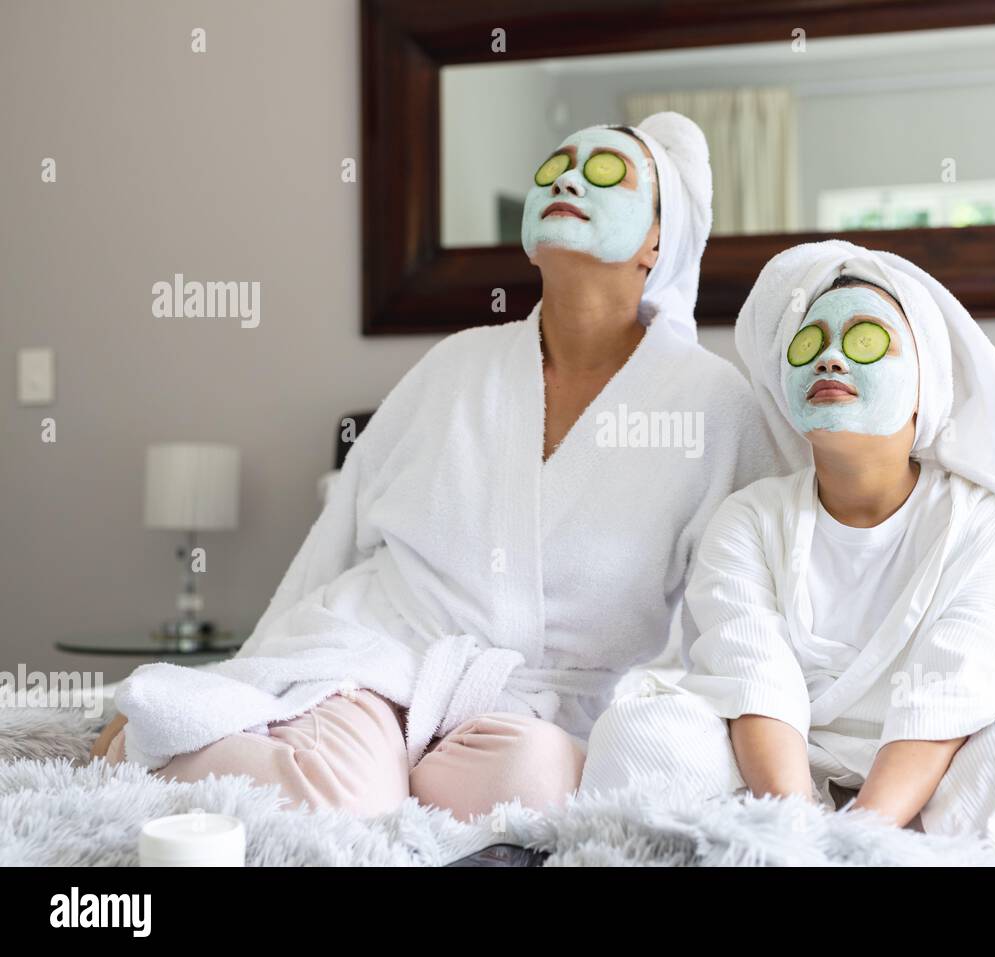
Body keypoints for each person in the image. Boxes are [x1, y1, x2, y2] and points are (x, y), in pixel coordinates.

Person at [93, 113, 789, 822]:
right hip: (376, 658)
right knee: (342, 799)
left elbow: (753, 598)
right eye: (554, 169)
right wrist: (250, 672)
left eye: (607, 171)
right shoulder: (458, 365)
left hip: (530, 703)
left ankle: (401, 770)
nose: (570, 178)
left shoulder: (713, 405)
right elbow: (338, 537)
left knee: (541, 785)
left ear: (656, 242)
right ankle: (156, 741)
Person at [577, 240, 995, 863]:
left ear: (925, 386)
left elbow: (948, 696)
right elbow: (758, 684)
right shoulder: (749, 520)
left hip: (941, 764)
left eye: (864, 340)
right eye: (809, 344)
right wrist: (802, 835)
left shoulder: (989, 523)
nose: (831, 357)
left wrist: (857, 842)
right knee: (643, 728)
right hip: (779, 771)